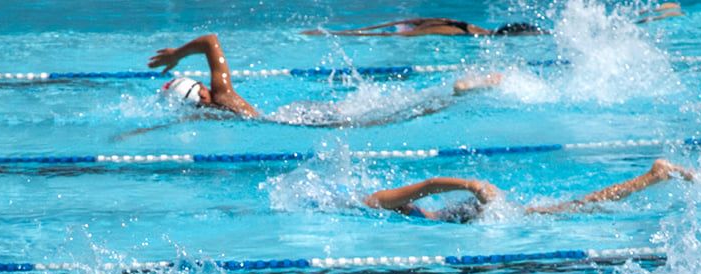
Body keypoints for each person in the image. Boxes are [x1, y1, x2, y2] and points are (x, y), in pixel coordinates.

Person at [147, 32, 504, 124]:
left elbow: (211, 41)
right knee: (381, 110)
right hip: (295, 112)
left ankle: (454, 95)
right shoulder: (220, 97)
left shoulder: (221, 101)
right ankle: (453, 92)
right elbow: (210, 42)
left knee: (392, 116)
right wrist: (178, 55)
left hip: (299, 121)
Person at [363, 159, 694, 221]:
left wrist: (474, 186)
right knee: (573, 207)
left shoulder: (373, 203)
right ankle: (651, 177)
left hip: (467, 215)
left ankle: (652, 176)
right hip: (464, 217)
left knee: (574, 208)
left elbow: (429, 185)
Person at [305, 5, 683, 37]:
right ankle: (648, 16)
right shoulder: (443, 22)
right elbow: (388, 27)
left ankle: (647, 18)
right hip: (499, 32)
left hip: (500, 38)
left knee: (557, 34)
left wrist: (337, 33)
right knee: (565, 33)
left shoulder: (438, 27)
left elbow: (388, 31)